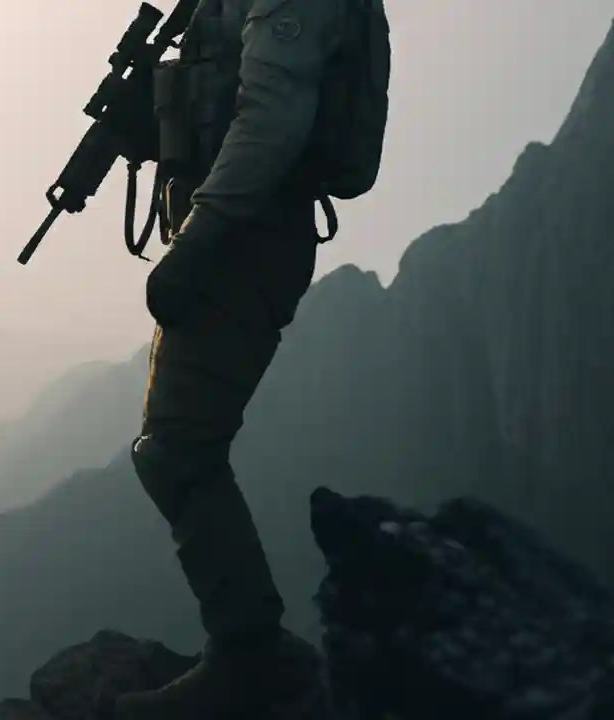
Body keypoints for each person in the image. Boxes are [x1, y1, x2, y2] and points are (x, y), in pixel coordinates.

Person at [104, 0, 367, 716]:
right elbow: (227, 109)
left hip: (245, 240)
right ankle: (249, 650)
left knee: (177, 450)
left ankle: (249, 658)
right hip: (232, 234)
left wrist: (196, 244)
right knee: (176, 446)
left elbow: (272, 121)